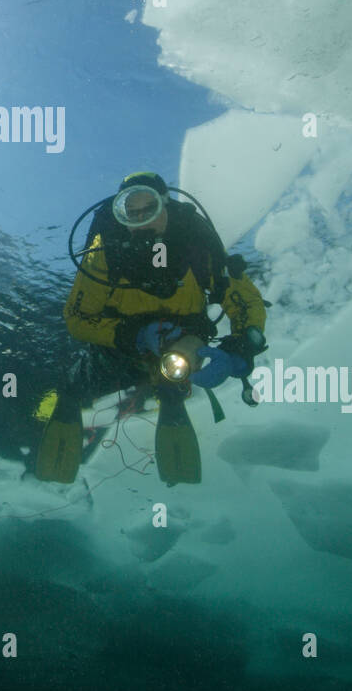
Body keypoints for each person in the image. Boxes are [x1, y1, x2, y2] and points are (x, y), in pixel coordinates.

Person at [35, 171, 268, 486]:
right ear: (120, 216)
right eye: (131, 213)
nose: (143, 221)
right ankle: (68, 400)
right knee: (77, 383)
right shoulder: (104, 254)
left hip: (177, 348)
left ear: (166, 206)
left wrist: (241, 348)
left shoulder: (198, 243)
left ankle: (171, 403)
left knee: (172, 383)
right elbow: (76, 318)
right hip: (117, 348)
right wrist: (130, 335)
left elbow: (244, 301)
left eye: (151, 209)